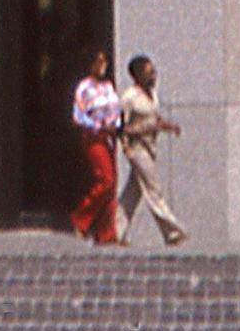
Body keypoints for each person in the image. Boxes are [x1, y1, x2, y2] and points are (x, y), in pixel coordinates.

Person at [117, 52, 188, 247]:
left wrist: (169, 126)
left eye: (154, 71)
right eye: (149, 72)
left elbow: (155, 119)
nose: (153, 76)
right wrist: (126, 149)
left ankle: (116, 231)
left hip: (151, 147)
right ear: (137, 74)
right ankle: (173, 232)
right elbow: (122, 127)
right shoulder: (129, 98)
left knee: (132, 193)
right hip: (137, 149)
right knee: (153, 190)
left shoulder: (153, 95)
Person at [68, 52, 125, 245]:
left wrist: (115, 126)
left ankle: (106, 233)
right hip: (93, 137)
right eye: (98, 61)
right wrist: (99, 126)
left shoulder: (108, 86)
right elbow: (79, 116)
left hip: (108, 137)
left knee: (112, 184)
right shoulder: (84, 87)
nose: (102, 65)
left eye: (105, 61)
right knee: (105, 179)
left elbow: (115, 110)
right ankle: (80, 217)